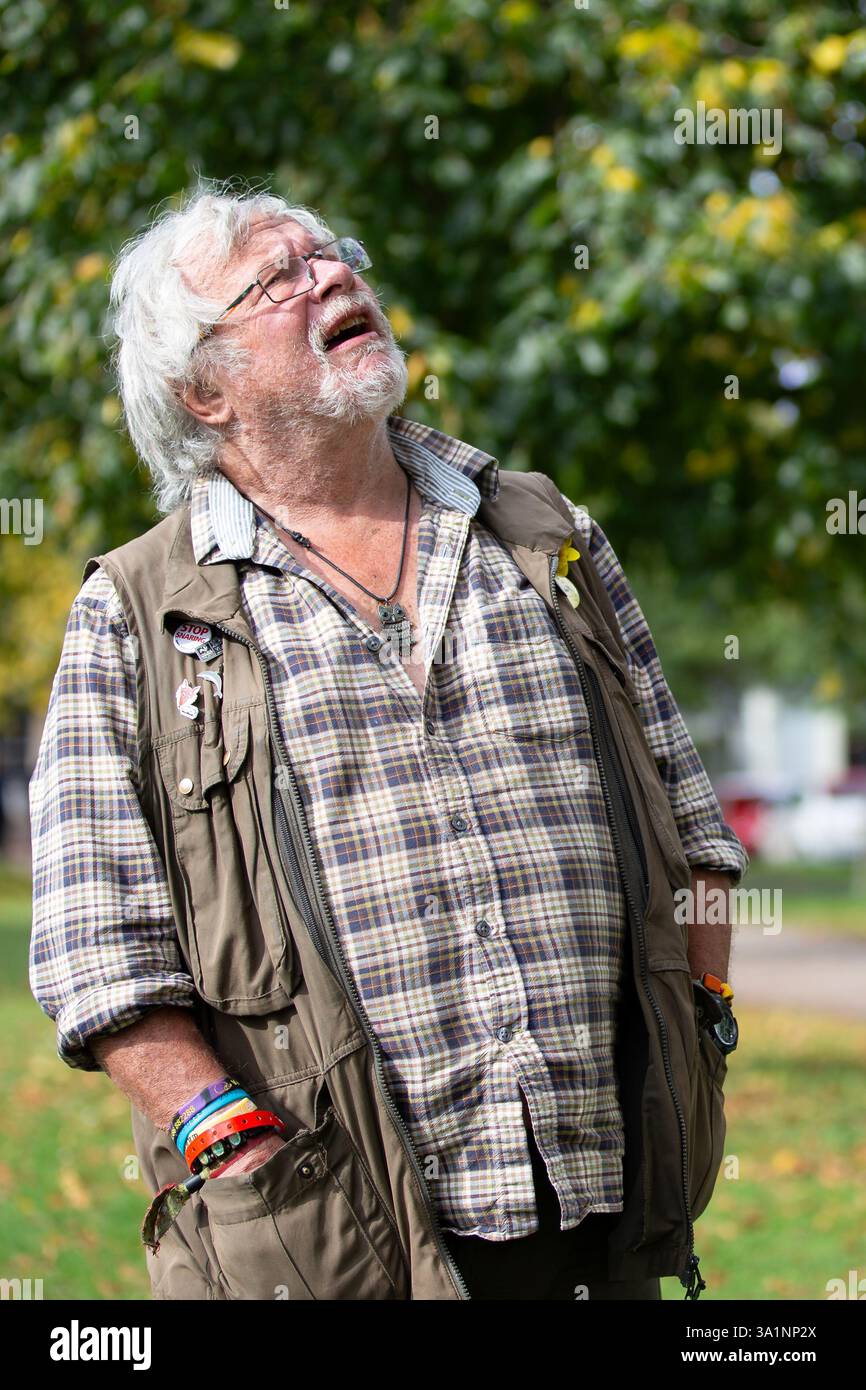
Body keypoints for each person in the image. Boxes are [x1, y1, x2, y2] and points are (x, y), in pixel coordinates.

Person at [29, 180, 747, 1302]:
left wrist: (701, 1018)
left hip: (605, 1213)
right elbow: (95, 949)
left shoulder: (539, 530)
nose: (329, 276)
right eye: (276, 279)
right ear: (203, 390)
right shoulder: (139, 611)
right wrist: (229, 1139)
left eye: (331, 255)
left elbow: (689, 817)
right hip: (334, 1242)